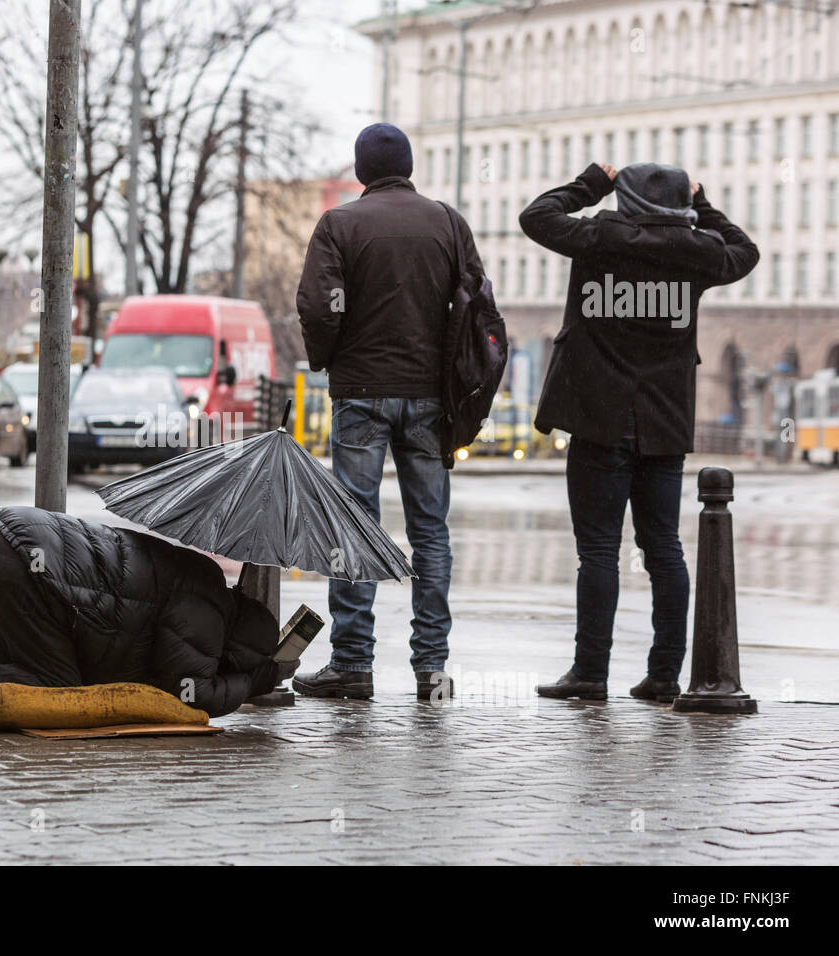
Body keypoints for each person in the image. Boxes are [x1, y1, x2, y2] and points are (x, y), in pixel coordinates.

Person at [520, 162, 758, 702]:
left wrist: (591, 184)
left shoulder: (598, 236)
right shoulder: (698, 251)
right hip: (664, 421)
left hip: (598, 418)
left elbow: (537, 216)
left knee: (599, 551)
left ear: (624, 198)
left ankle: (589, 673)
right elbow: (746, 251)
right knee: (664, 549)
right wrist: (703, 204)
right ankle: (664, 675)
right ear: (681, 204)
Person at [293, 123, 483, 702]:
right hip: (430, 398)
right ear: (410, 165)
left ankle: (352, 664)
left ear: (361, 171)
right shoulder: (447, 222)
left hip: (361, 394)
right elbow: (477, 303)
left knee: (354, 523)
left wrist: (329, 359)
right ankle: (431, 669)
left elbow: (318, 305)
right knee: (431, 532)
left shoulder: (340, 225)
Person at [0, 506, 289, 730]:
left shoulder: (200, 579)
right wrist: (254, 682)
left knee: (21, 673)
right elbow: (186, 692)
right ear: (238, 647)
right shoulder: (208, 611)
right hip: (20, 561)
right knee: (54, 683)